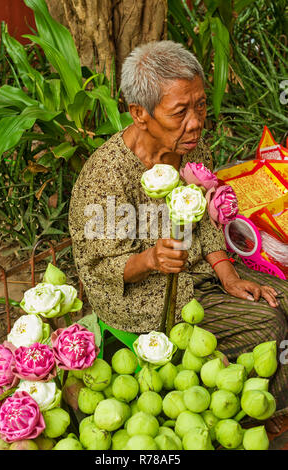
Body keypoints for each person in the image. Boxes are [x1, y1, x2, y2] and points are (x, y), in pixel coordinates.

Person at [68, 40, 288, 430]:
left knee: (285, 299)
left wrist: (229, 274)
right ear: (140, 113)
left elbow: (202, 221)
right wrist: (150, 259)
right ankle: (248, 416)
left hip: (198, 275)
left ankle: (265, 404)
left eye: (200, 105)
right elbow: (97, 265)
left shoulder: (188, 145)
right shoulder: (104, 176)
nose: (196, 121)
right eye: (181, 111)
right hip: (146, 300)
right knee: (269, 326)